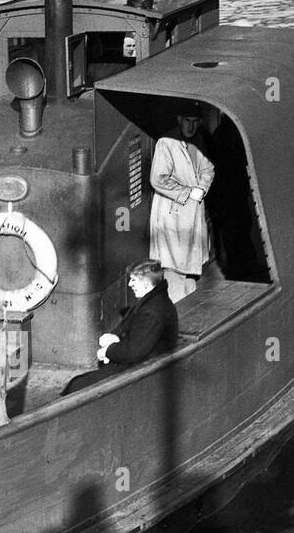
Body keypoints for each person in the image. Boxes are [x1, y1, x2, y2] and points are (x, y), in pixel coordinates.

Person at [61, 261, 178, 396]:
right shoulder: (153, 301)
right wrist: (114, 336)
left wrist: (107, 351)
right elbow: (129, 328)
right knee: (79, 383)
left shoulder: (151, 312)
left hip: (142, 371)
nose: (130, 285)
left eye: (133, 280)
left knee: (77, 386)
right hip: (146, 365)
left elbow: (134, 351)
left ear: (146, 283)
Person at [149, 108, 215, 302]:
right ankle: (177, 314)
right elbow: (158, 179)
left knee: (190, 270)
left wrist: (202, 188)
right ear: (179, 119)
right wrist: (187, 193)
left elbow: (208, 168)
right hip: (172, 214)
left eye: (195, 121)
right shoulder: (167, 142)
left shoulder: (198, 140)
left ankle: (189, 308)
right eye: (187, 120)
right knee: (173, 267)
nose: (191, 126)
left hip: (192, 212)